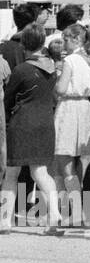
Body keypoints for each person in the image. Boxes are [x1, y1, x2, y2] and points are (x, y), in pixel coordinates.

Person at [1, 23, 64, 235]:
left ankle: (4, 220)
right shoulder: (52, 68)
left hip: (22, 124)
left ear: (24, 45)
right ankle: (54, 214)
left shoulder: (21, 69)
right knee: (41, 172)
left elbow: (8, 99)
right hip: (46, 123)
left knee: (11, 173)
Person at [53, 23, 90, 227]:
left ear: (76, 39)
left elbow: (61, 88)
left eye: (66, 39)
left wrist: (56, 78)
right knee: (80, 161)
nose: (64, 44)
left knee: (64, 161)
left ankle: (74, 212)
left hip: (69, 108)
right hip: (85, 108)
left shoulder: (69, 60)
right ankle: (76, 210)